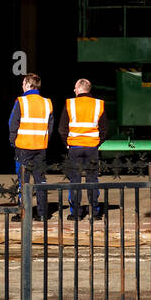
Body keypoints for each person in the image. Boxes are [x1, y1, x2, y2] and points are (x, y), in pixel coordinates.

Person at [58, 77, 107, 220]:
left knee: (75, 180)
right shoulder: (99, 104)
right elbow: (104, 129)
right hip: (92, 148)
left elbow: (62, 129)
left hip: (75, 147)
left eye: (75, 87)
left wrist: (68, 144)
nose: (73, 90)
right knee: (93, 180)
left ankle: (76, 213)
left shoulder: (70, 104)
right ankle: (95, 212)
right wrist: (96, 143)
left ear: (79, 88)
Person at [8, 73, 52, 221]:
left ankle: (24, 213)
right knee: (40, 181)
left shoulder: (21, 101)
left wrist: (13, 141)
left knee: (23, 182)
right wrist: (44, 141)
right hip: (40, 148)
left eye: (23, 83)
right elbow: (49, 127)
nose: (22, 86)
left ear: (28, 85)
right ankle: (42, 213)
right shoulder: (47, 103)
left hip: (23, 148)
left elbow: (13, 123)